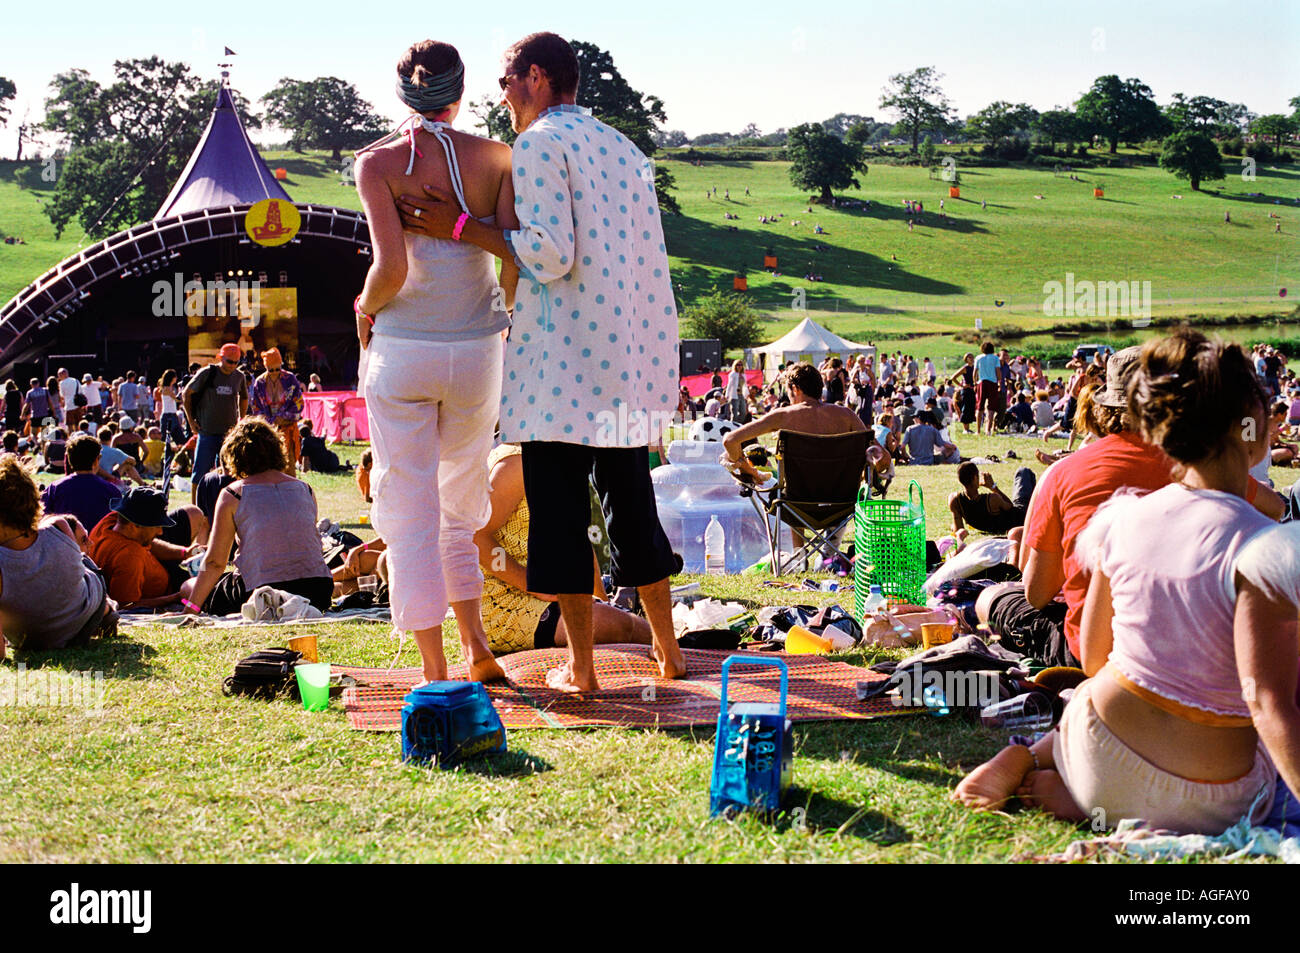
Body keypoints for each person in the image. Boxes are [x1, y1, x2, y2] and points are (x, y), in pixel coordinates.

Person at [396, 31, 686, 693]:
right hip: (628, 357)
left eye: (504, 81)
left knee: (560, 520)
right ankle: (668, 650)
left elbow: (549, 253)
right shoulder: (626, 149)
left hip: (564, 365)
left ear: (532, 76)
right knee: (633, 510)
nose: (501, 97)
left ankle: (581, 669)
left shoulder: (540, 144)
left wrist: (461, 228)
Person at [957, 329, 1284, 835]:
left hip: (1097, 752)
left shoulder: (1121, 520)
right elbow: (1269, 701)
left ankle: (1039, 766)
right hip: (1216, 798)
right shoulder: (1269, 548)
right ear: (1256, 427)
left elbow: (1092, 657)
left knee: (1105, 682)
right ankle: (1081, 793)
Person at [352, 38, 519, 685]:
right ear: (461, 89)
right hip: (477, 348)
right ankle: (478, 647)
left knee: (409, 509)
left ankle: (434, 665)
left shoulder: (378, 164)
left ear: (402, 92)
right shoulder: (495, 157)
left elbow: (390, 268)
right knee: (461, 503)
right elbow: (509, 254)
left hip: (403, 348)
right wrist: (496, 320)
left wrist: (365, 308)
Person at [473, 443, 652, 653]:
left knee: (626, 624)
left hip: (553, 591)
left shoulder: (558, 458)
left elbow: (577, 541)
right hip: (506, 605)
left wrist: (601, 601)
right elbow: (477, 538)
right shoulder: (515, 463)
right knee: (618, 625)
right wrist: (530, 583)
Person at [181, 418, 333, 616]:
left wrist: (190, 610)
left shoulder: (233, 494)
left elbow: (215, 562)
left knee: (187, 586)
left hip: (262, 592)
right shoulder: (304, 489)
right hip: (318, 591)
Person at [0, 455, 116, 660]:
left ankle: (106, 608)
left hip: (30, 639)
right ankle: (107, 609)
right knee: (86, 568)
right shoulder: (60, 527)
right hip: (81, 621)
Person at [86, 487, 194, 610]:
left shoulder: (112, 520)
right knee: (204, 589)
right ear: (135, 525)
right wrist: (176, 597)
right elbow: (126, 605)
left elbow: (149, 543)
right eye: (157, 525)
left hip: (159, 566)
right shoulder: (129, 557)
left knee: (193, 513)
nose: (160, 531)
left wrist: (184, 553)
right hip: (170, 591)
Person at [181, 343, 249, 495]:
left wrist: (241, 419)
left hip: (229, 434)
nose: (232, 365)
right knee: (199, 473)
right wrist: (191, 421)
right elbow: (186, 393)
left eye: (236, 362)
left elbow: (244, 397)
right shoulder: (207, 373)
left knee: (230, 474)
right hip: (207, 432)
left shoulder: (239, 376)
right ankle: (196, 510)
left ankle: (225, 507)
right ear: (220, 358)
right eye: (229, 361)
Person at [41, 433, 123, 532]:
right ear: (96, 461)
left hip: (63, 543)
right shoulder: (111, 491)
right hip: (97, 544)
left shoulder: (54, 488)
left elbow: (43, 519)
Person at [248, 348, 305, 476]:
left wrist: (283, 417)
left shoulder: (290, 379)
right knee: (269, 465)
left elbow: (299, 403)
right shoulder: (260, 382)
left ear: (281, 366)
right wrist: (269, 422)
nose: (274, 373)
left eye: (277, 369)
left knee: (289, 465)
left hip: (287, 428)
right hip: (268, 431)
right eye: (270, 370)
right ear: (265, 367)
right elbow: (256, 407)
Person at [948, 460, 1035, 537]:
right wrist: (993, 487)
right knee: (1023, 471)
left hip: (999, 526)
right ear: (975, 478)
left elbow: (959, 530)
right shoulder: (992, 499)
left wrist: (953, 527)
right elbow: (1011, 507)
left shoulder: (955, 500)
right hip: (1021, 516)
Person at [973, 342, 1001, 435]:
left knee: (979, 407)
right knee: (991, 407)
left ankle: (978, 430)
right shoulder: (995, 358)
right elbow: (998, 371)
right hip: (992, 383)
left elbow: (975, 373)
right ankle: (988, 430)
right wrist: (1000, 382)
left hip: (981, 382)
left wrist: (975, 383)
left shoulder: (978, 358)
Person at [947, 352, 977, 434]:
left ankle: (968, 428)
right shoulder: (965, 368)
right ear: (966, 359)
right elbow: (953, 377)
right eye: (969, 357)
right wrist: (961, 385)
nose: (971, 358)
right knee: (966, 408)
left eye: (972, 357)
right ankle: (965, 429)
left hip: (972, 390)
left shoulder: (974, 368)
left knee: (971, 408)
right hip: (966, 390)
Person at [155, 369, 185, 445]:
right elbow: (177, 400)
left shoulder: (167, 388)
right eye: (175, 376)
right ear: (171, 378)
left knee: (169, 440)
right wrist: (182, 392)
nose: (176, 378)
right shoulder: (167, 389)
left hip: (170, 415)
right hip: (169, 416)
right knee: (177, 439)